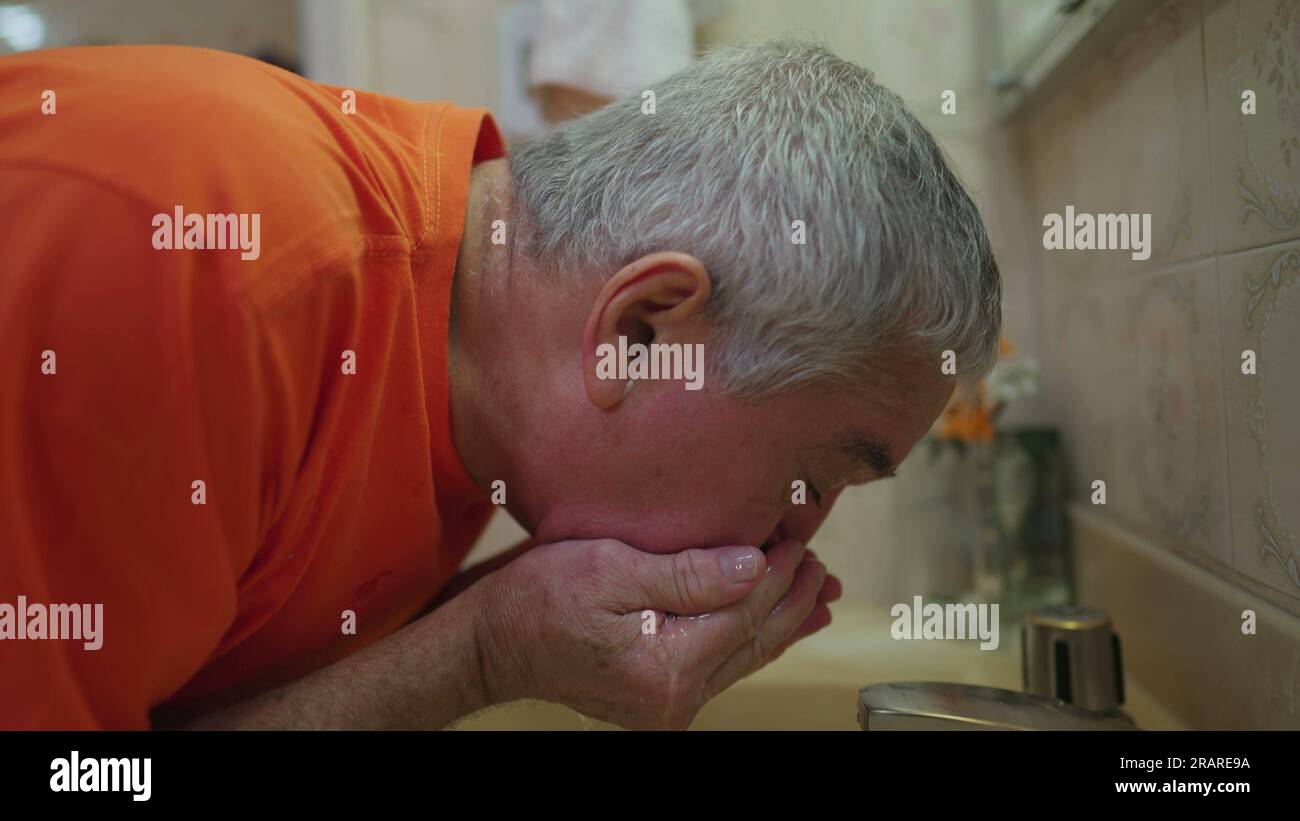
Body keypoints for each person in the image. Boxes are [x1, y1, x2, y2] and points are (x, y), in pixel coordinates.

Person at [0, 39, 1000, 730]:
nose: (797, 542)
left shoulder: (457, 383)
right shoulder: (211, 266)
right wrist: (476, 654)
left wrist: (486, 631)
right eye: (816, 475)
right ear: (639, 330)